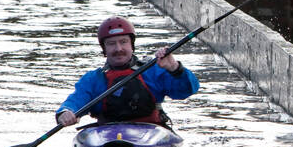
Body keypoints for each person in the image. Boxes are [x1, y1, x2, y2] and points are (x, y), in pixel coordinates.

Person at [56, 16, 199, 128]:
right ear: (104, 49)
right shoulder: (94, 79)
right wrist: (65, 113)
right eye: (111, 44)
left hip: (151, 130)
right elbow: (75, 101)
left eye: (123, 42)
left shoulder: (153, 70)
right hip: (107, 134)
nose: (119, 48)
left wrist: (174, 68)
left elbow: (186, 91)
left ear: (132, 45)